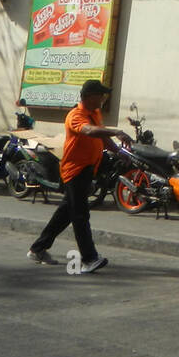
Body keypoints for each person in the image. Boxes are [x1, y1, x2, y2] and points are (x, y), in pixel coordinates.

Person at [27, 80, 130, 273]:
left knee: (65, 213)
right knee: (80, 215)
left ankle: (38, 248)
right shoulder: (75, 115)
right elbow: (90, 131)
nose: (103, 99)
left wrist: (117, 150)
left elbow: (101, 136)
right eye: (101, 95)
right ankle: (89, 258)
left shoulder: (95, 113)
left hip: (88, 168)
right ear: (90, 96)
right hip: (74, 170)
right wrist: (117, 131)